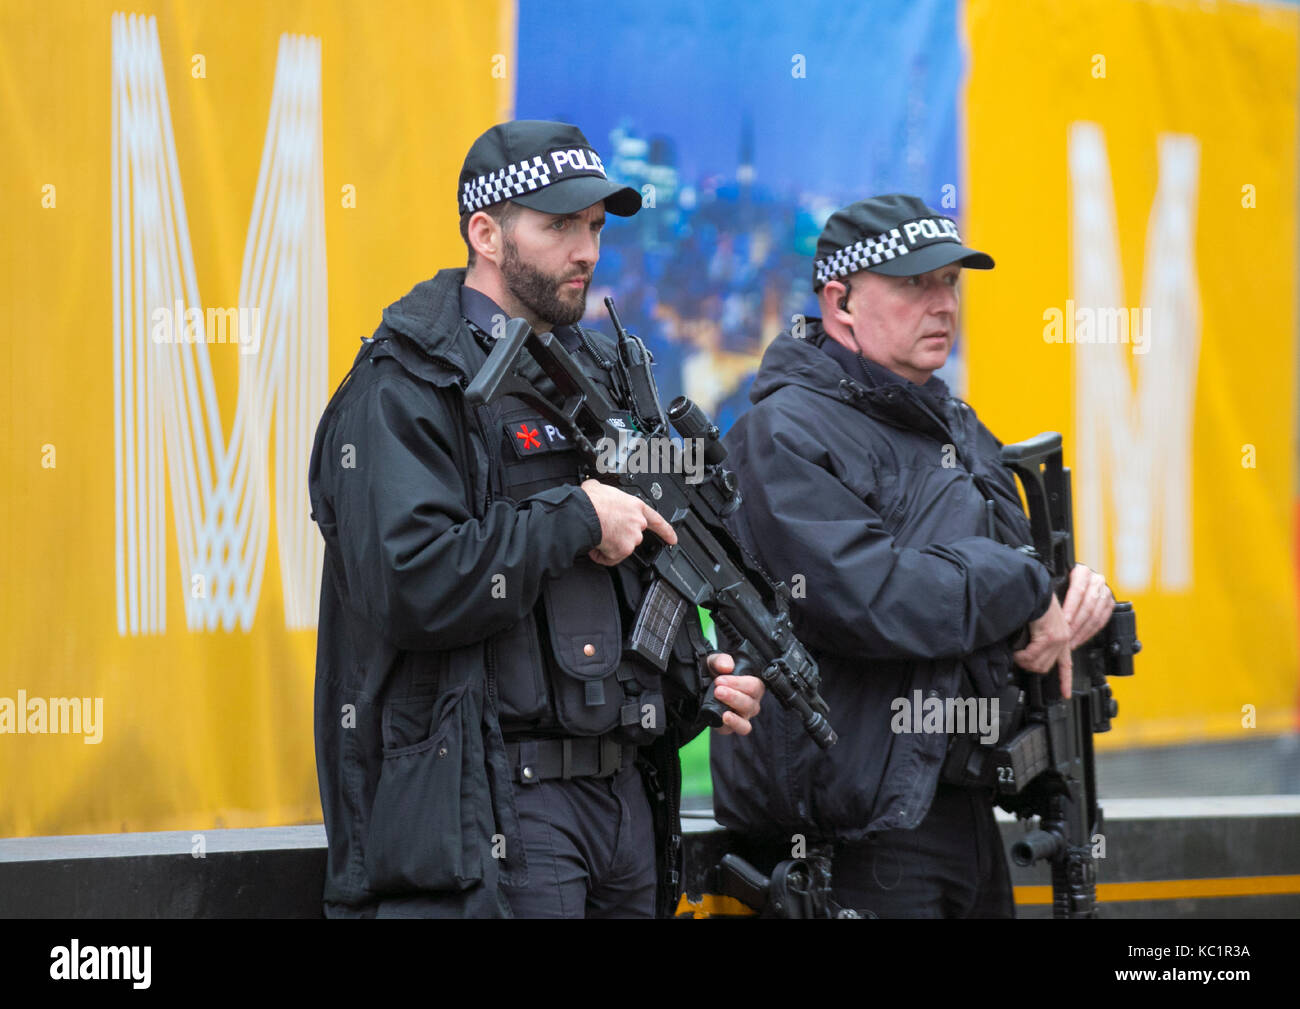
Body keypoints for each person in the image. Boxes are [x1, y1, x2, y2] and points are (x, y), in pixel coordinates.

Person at [307, 120, 764, 919]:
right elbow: (408, 581)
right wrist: (576, 518)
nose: (585, 248)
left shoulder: (607, 376)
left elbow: (616, 601)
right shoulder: (409, 379)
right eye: (558, 225)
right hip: (497, 812)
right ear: (484, 232)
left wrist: (696, 686)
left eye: (593, 226)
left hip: (626, 803)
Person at [709, 194, 1115, 918]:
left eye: (950, 283)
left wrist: (1073, 598)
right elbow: (874, 598)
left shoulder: (954, 422)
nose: (941, 304)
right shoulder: (782, 431)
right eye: (913, 284)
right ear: (840, 301)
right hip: (851, 838)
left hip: (963, 808)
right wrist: (1025, 586)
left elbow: (1017, 576)